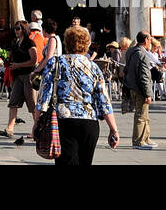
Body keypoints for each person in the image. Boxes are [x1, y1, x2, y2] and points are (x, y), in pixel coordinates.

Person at [33, 25, 120, 165]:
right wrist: (113, 129)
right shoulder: (93, 67)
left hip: (64, 120)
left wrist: (37, 123)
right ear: (86, 44)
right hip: (89, 123)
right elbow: (104, 101)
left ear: (67, 42)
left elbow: (43, 97)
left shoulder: (55, 63)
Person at [0, 21, 39, 138]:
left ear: (24, 29)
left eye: (18, 28)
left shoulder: (29, 43)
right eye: (15, 29)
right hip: (17, 77)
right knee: (13, 102)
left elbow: (34, 60)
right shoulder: (15, 43)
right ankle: (9, 129)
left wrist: (18, 65)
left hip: (28, 76)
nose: (16, 31)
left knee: (32, 105)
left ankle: (37, 129)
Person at [123, 32, 156, 149]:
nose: (151, 42)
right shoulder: (142, 54)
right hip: (140, 88)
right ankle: (138, 141)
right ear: (146, 40)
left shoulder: (130, 51)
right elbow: (145, 76)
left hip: (132, 86)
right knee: (141, 115)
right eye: (150, 39)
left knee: (144, 115)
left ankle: (146, 137)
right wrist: (148, 93)